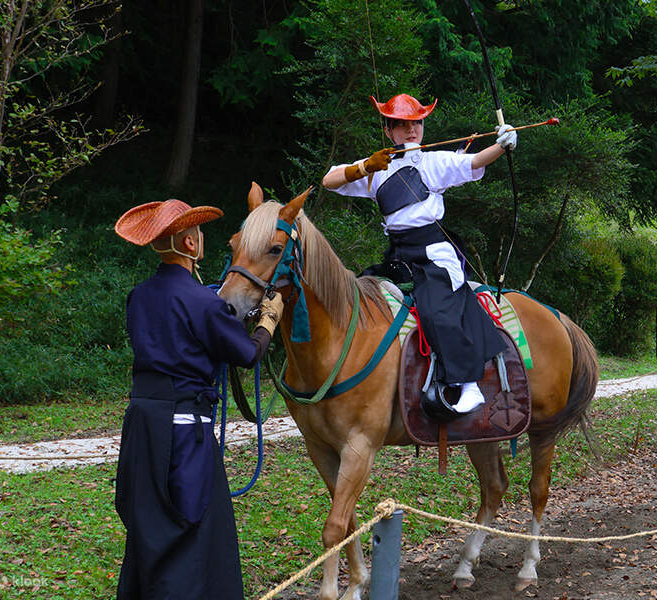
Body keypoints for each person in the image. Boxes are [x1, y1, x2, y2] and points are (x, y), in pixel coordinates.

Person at [113, 199, 284, 599]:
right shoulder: (204, 303)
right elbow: (246, 354)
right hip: (184, 431)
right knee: (194, 528)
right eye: (199, 234)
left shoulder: (139, 296)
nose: (202, 238)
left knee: (150, 525)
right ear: (190, 244)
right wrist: (269, 320)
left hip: (141, 426)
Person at [321, 93, 516, 414]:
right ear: (388, 130)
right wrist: (365, 166)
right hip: (399, 256)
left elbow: (474, 161)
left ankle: (468, 384)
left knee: (438, 309)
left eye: (416, 123)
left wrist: (502, 144)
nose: (411, 130)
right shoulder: (377, 166)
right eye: (401, 125)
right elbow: (329, 180)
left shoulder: (432, 162)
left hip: (433, 253)